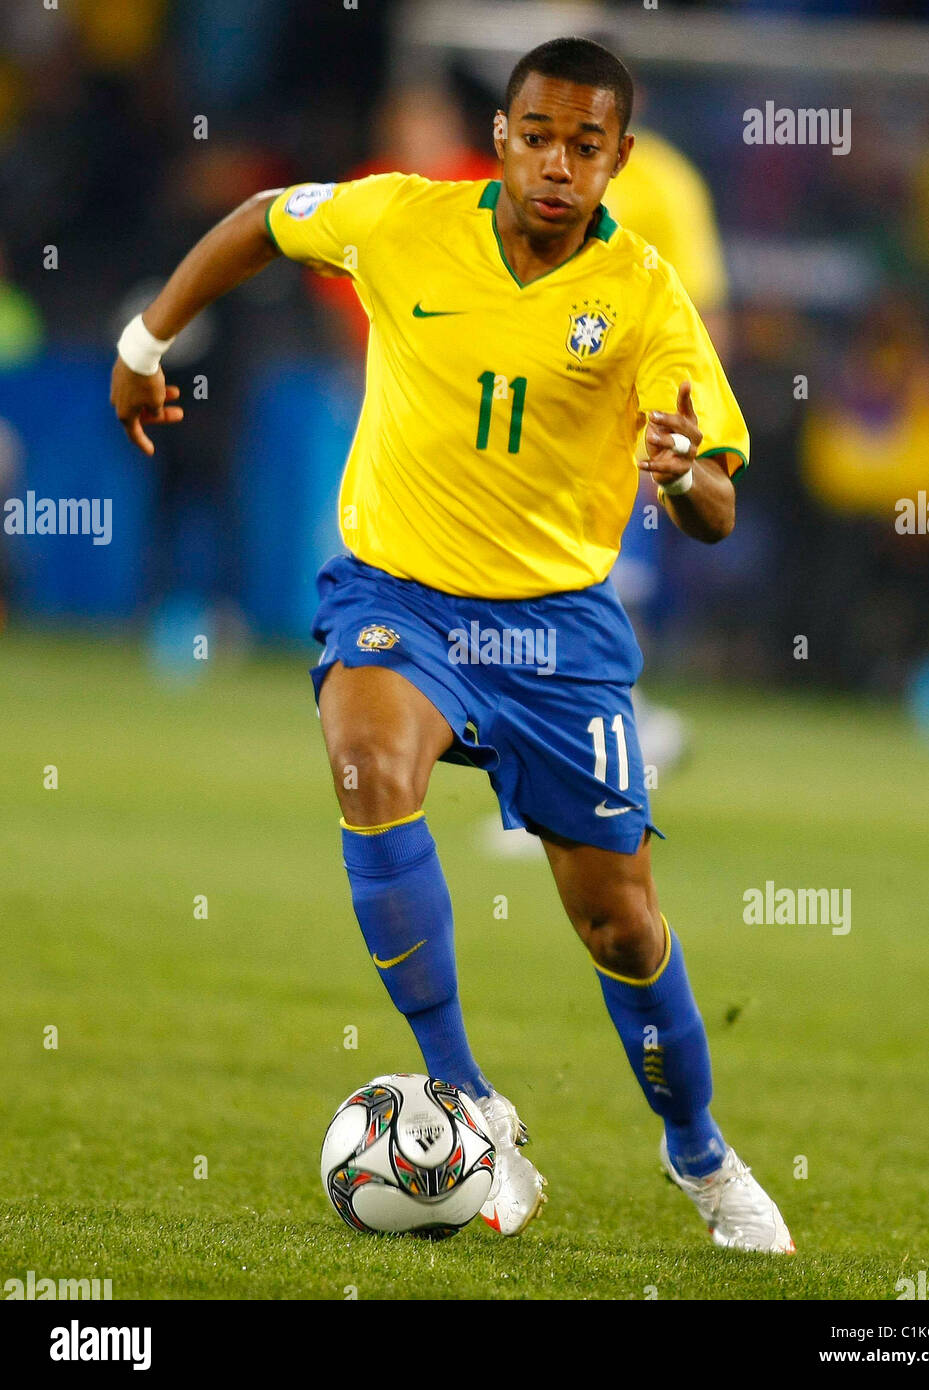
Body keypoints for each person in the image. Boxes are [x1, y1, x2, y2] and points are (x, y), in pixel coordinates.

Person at [109, 37, 794, 1253]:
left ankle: (696, 1149)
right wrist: (145, 342)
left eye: (586, 145)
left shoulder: (643, 294)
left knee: (621, 925)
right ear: (502, 139)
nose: (556, 163)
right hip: (400, 596)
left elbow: (716, 505)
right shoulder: (401, 220)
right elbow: (265, 219)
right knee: (369, 768)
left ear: (617, 160)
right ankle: (471, 1104)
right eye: (537, 134)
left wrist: (683, 475)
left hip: (557, 629)